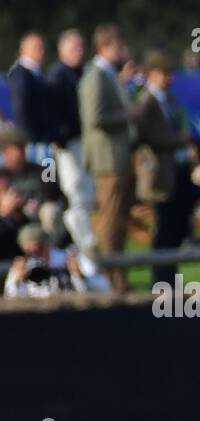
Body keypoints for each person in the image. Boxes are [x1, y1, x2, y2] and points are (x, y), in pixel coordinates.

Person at [134, 51, 198, 284]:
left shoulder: (169, 100)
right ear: (151, 75)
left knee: (177, 225)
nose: (168, 78)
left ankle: (171, 277)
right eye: (163, 73)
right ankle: (161, 279)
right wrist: (179, 139)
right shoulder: (146, 102)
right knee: (164, 228)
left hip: (176, 169)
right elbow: (151, 137)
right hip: (160, 173)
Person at [78, 24, 134, 291]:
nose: (123, 50)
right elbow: (94, 117)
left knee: (119, 222)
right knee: (109, 223)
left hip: (118, 159)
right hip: (107, 161)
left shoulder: (110, 75)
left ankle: (118, 279)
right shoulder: (95, 77)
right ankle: (107, 281)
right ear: (104, 47)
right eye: (119, 46)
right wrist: (128, 115)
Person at [46, 29, 96, 259]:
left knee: (87, 194)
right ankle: (86, 245)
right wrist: (59, 137)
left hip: (85, 141)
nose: (79, 52)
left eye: (81, 47)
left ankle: (82, 246)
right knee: (76, 194)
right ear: (61, 50)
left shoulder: (85, 73)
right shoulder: (58, 76)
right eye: (74, 48)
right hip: (69, 144)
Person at [3, 222, 94, 297]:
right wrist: (18, 281)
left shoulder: (68, 259)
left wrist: (78, 275)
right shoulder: (22, 266)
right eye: (29, 251)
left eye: (39, 249)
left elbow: (101, 289)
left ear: (48, 245)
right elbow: (12, 299)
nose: (35, 254)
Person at [8, 33, 52, 162]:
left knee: (48, 178)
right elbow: (20, 108)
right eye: (36, 47)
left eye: (43, 47)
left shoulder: (38, 73)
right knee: (38, 178)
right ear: (23, 50)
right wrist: (26, 139)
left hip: (43, 140)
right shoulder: (20, 74)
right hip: (32, 142)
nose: (41, 51)